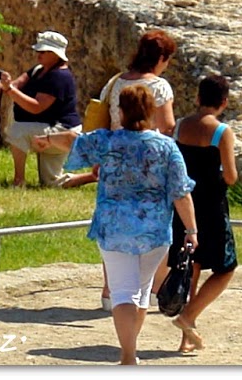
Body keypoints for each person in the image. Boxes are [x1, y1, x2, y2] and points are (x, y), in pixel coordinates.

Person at [65, 84, 197, 367]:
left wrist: (46, 140)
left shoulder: (106, 141)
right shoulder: (166, 146)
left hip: (114, 229)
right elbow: (181, 192)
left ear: (120, 111)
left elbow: (73, 144)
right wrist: (192, 229)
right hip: (155, 231)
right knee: (141, 290)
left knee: (122, 292)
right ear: (151, 111)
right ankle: (130, 349)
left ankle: (128, 355)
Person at [62, 28, 180, 307]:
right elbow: (167, 126)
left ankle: (110, 291)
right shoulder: (160, 87)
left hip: (114, 160)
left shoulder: (115, 83)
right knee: (156, 223)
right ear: (161, 57)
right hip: (150, 164)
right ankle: (151, 287)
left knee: (113, 226)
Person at [167, 73, 239, 354]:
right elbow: (231, 176)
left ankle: (187, 336)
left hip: (185, 205)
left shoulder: (180, 127)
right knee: (225, 268)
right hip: (212, 206)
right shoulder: (222, 132)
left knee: (191, 269)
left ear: (197, 98)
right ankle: (187, 317)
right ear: (224, 102)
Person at [0, 30, 81, 187]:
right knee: (51, 183)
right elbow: (15, 86)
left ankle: (19, 181)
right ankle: (94, 175)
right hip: (50, 131)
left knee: (17, 130)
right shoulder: (39, 69)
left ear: (56, 54)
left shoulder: (59, 77)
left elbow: (36, 107)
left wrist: (9, 90)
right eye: (39, 50)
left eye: (44, 51)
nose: (39, 54)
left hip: (62, 133)